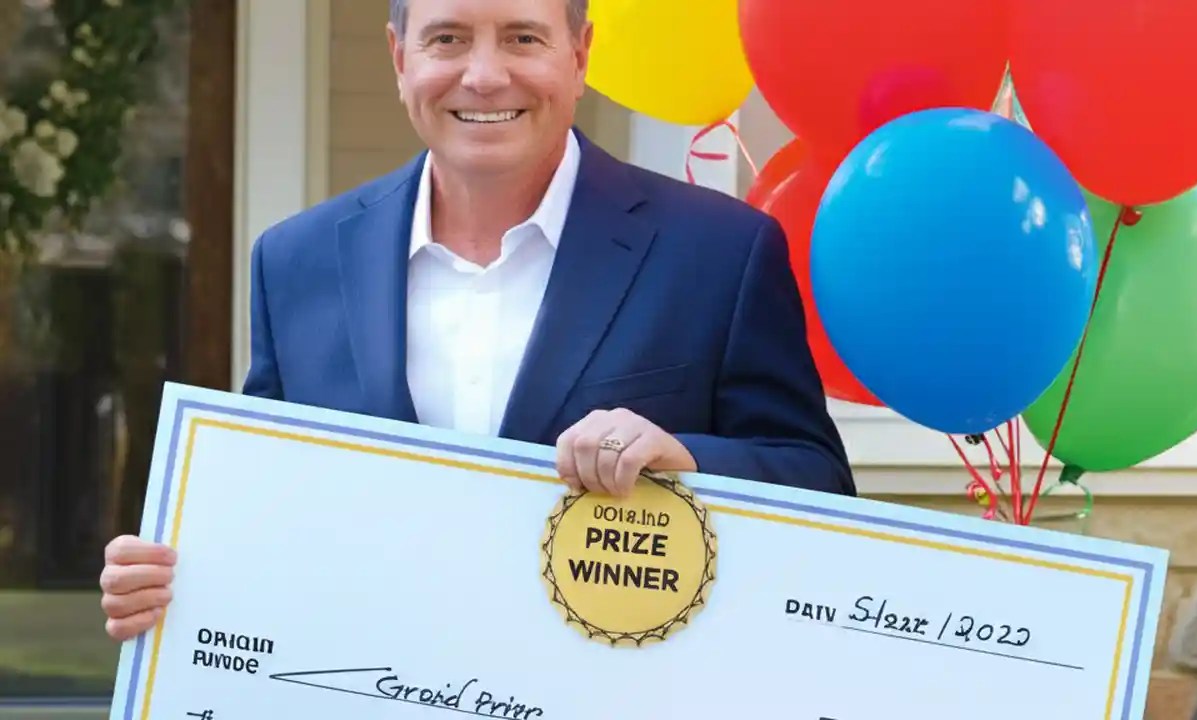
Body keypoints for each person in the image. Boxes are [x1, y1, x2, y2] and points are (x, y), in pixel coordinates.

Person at [97, 0, 855, 642]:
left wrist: (684, 459)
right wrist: (172, 578)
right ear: (400, 60)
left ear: (580, 55)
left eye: (523, 37)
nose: (485, 74)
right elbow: (266, 508)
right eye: (448, 38)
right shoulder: (296, 261)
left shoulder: (719, 251)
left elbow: (818, 485)